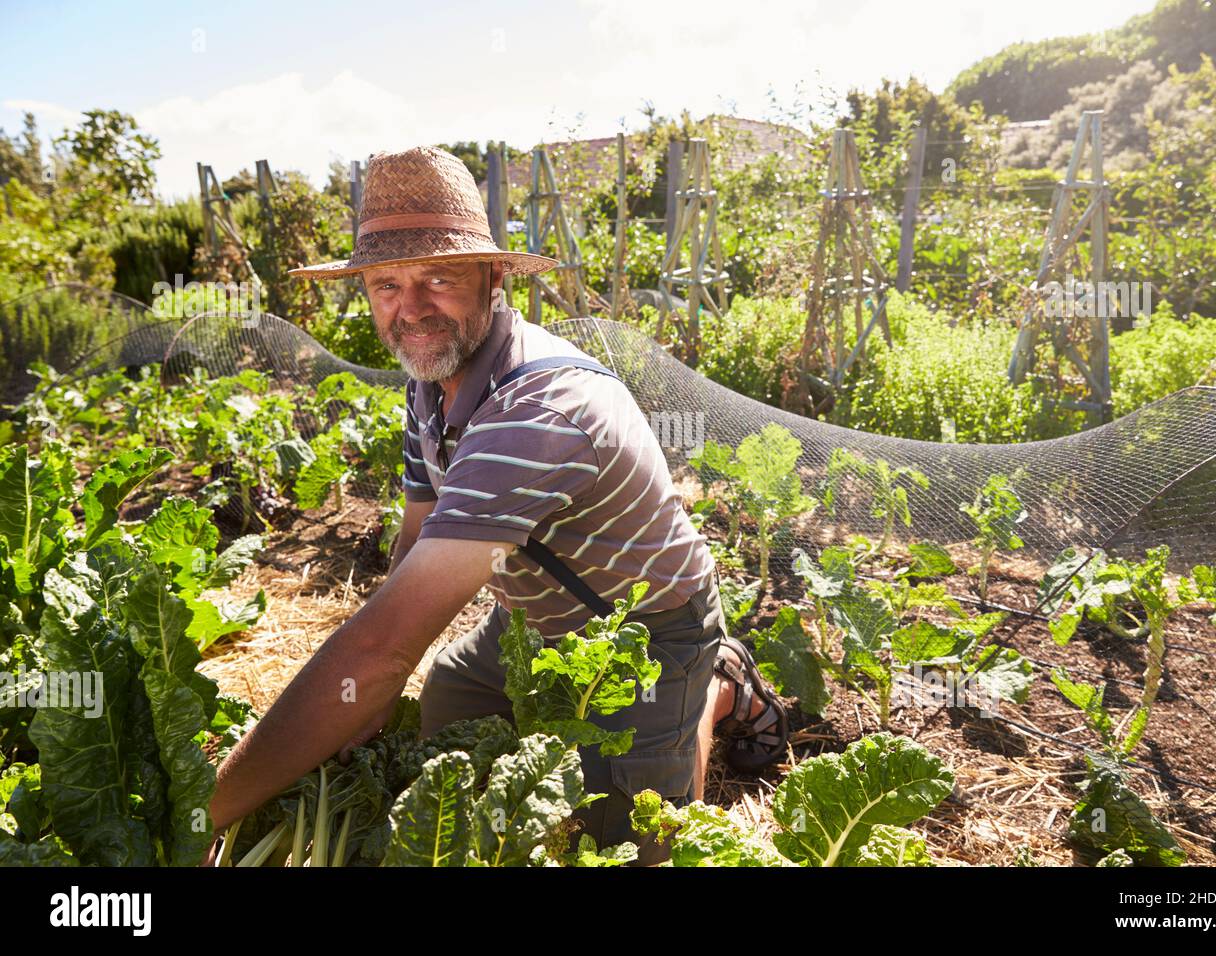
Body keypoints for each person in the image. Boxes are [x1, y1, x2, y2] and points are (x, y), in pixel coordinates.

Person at [207, 145, 788, 865]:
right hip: (533, 615)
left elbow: (380, 648)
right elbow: (416, 536)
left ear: (491, 279)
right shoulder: (431, 379)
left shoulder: (537, 411)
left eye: (439, 278)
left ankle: (713, 687)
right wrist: (377, 687)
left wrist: (207, 813)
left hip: (643, 629)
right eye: (387, 283)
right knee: (451, 709)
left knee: (627, 847)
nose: (411, 308)